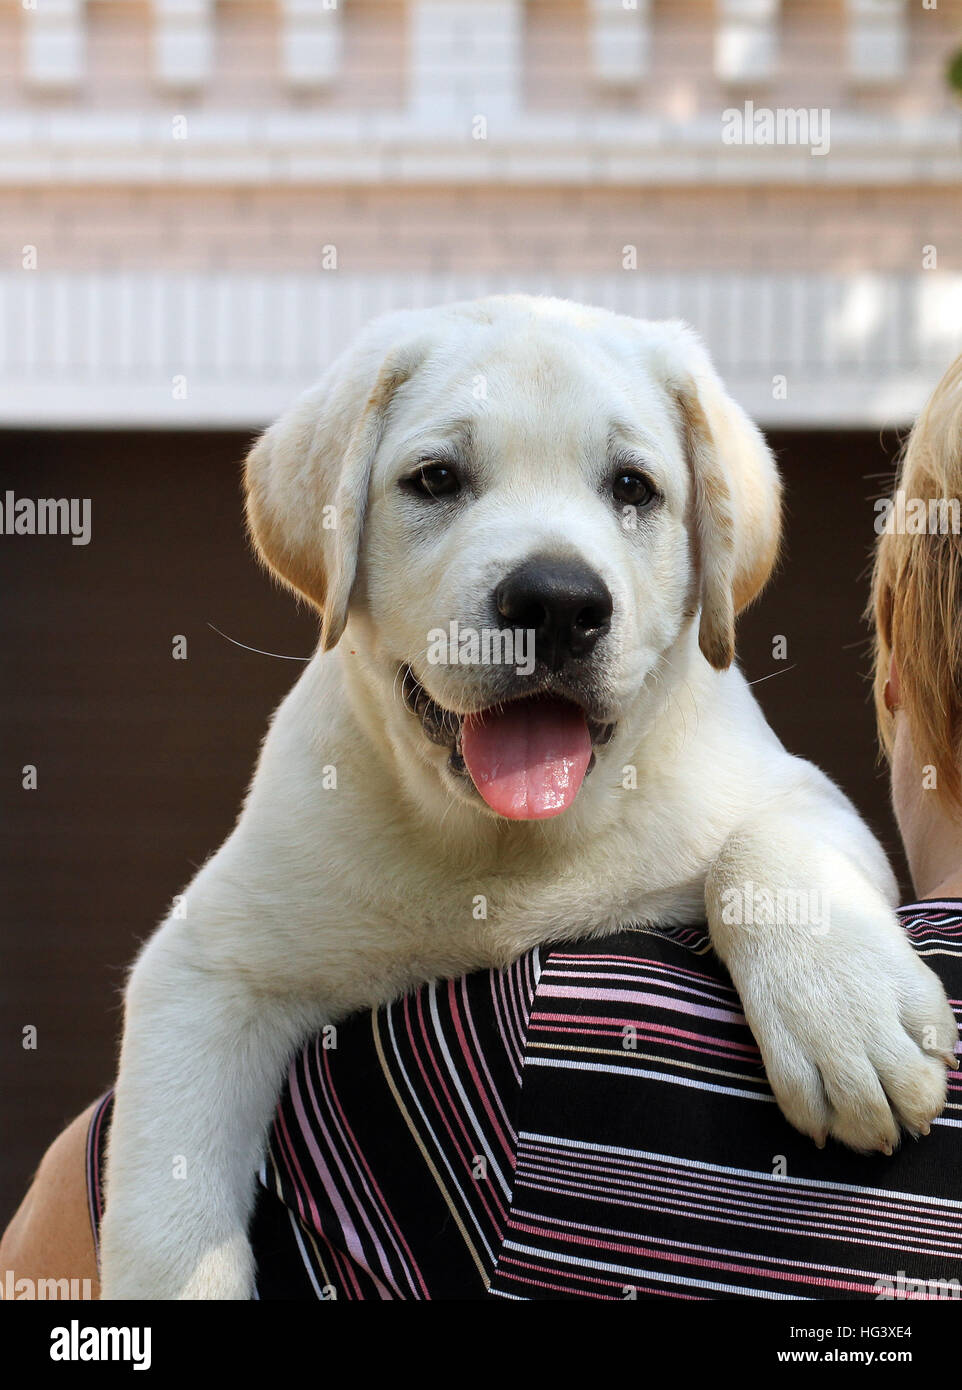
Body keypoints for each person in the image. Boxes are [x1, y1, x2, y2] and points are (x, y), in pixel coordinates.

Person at [4, 356, 962, 1301]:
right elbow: (209, 980)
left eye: (630, 487)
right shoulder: (318, 803)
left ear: (709, 543)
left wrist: (789, 907)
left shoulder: (720, 772)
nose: (555, 585)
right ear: (334, 539)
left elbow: (802, 816)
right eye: (438, 481)